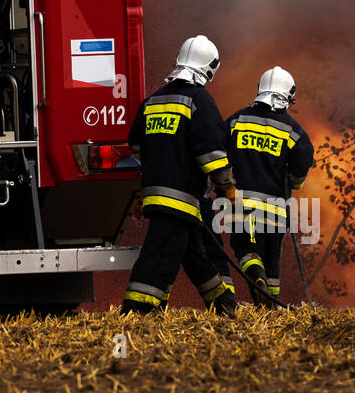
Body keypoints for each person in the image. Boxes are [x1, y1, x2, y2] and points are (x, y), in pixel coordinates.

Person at [121, 35, 238, 315]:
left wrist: (160, 164)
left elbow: (136, 146)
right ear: (209, 67)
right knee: (158, 256)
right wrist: (227, 189)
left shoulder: (153, 101)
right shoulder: (200, 101)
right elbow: (213, 154)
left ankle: (223, 306)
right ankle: (139, 310)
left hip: (155, 194)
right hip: (183, 198)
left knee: (195, 255)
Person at [225, 66, 314, 304]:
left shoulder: (236, 121)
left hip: (239, 203)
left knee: (245, 249)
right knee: (271, 256)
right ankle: (270, 306)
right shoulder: (293, 131)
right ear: (287, 96)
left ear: (260, 90)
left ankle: (256, 276)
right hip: (276, 208)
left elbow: (217, 153)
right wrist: (294, 180)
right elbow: (299, 170)